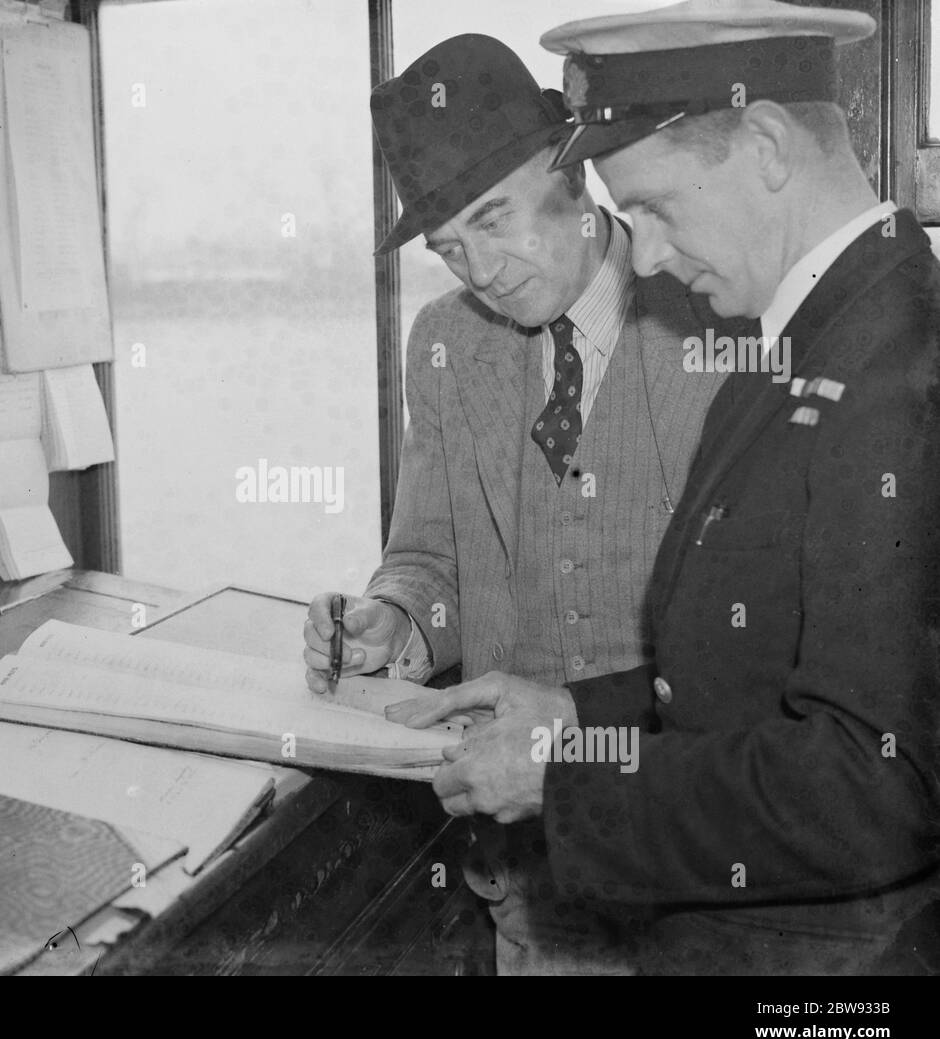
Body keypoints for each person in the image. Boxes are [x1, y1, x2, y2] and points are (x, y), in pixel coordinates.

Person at [391, 0, 940, 975]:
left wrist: (566, 779)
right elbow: (729, 682)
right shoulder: (802, 334)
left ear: (765, 143)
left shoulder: (893, 364)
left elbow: (878, 783)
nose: (642, 253)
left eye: (654, 207)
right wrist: (573, 715)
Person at [302, 33, 741, 973]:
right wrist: (395, 626)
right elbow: (429, 560)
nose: (482, 269)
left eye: (495, 219)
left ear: (572, 173)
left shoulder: (717, 318)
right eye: (452, 248)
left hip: (694, 874)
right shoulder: (446, 345)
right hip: (529, 887)